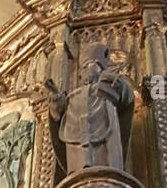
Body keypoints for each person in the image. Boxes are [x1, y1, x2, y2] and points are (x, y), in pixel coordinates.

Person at [46, 43, 134, 175]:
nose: (86, 70)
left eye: (90, 65)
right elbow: (58, 114)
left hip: (104, 127)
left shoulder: (108, 85)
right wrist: (55, 98)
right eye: (84, 68)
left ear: (100, 68)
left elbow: (127, 98)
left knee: (106, 161)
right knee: (78, 166)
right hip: (76, 135)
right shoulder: (74, 95)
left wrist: (116, 84)